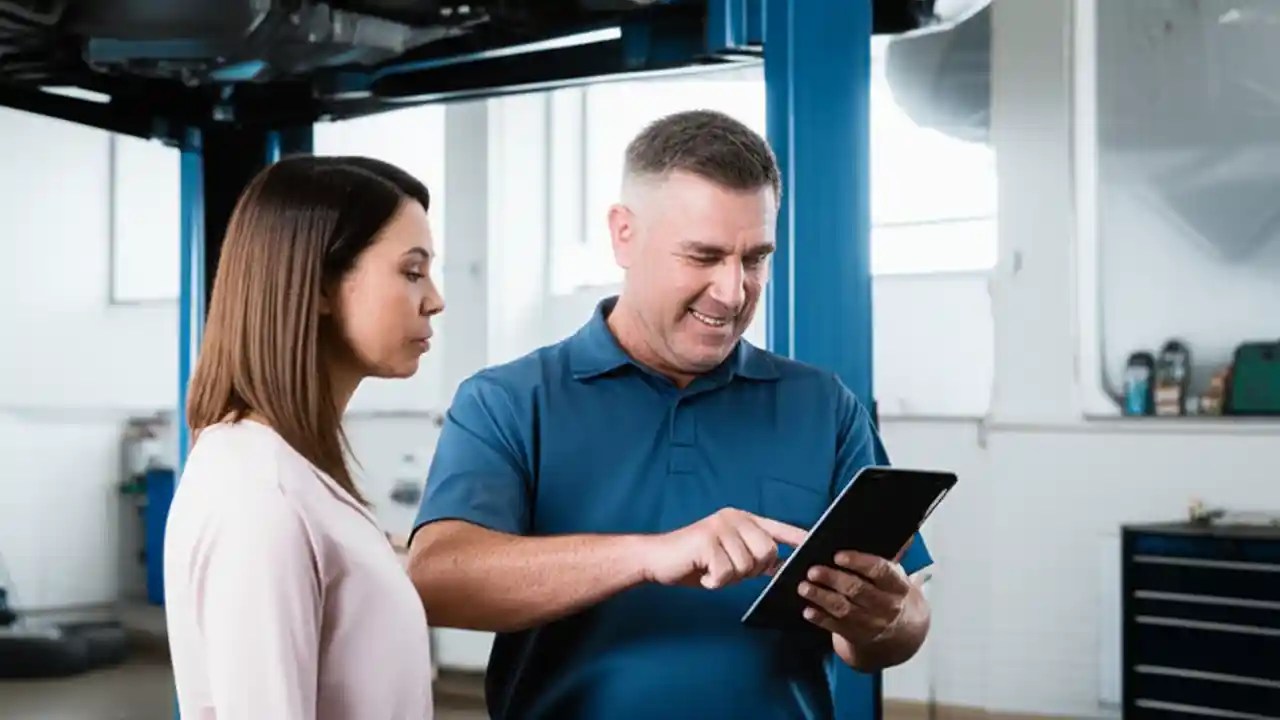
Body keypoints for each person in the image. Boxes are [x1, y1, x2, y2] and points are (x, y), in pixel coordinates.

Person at [408, 110, 933, 720]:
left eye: (755, 258)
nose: (733, 292)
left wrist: (886, 619)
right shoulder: (507, 401)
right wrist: (647, 556)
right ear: (624, 234)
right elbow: (437, 580)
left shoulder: (824, 406)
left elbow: (903, 620)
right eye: (702, 256)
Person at [163, 155, 445, 719]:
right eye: (412, 272)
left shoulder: (286, 474)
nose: (434, 299)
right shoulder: (261, 497)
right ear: (318, 284)